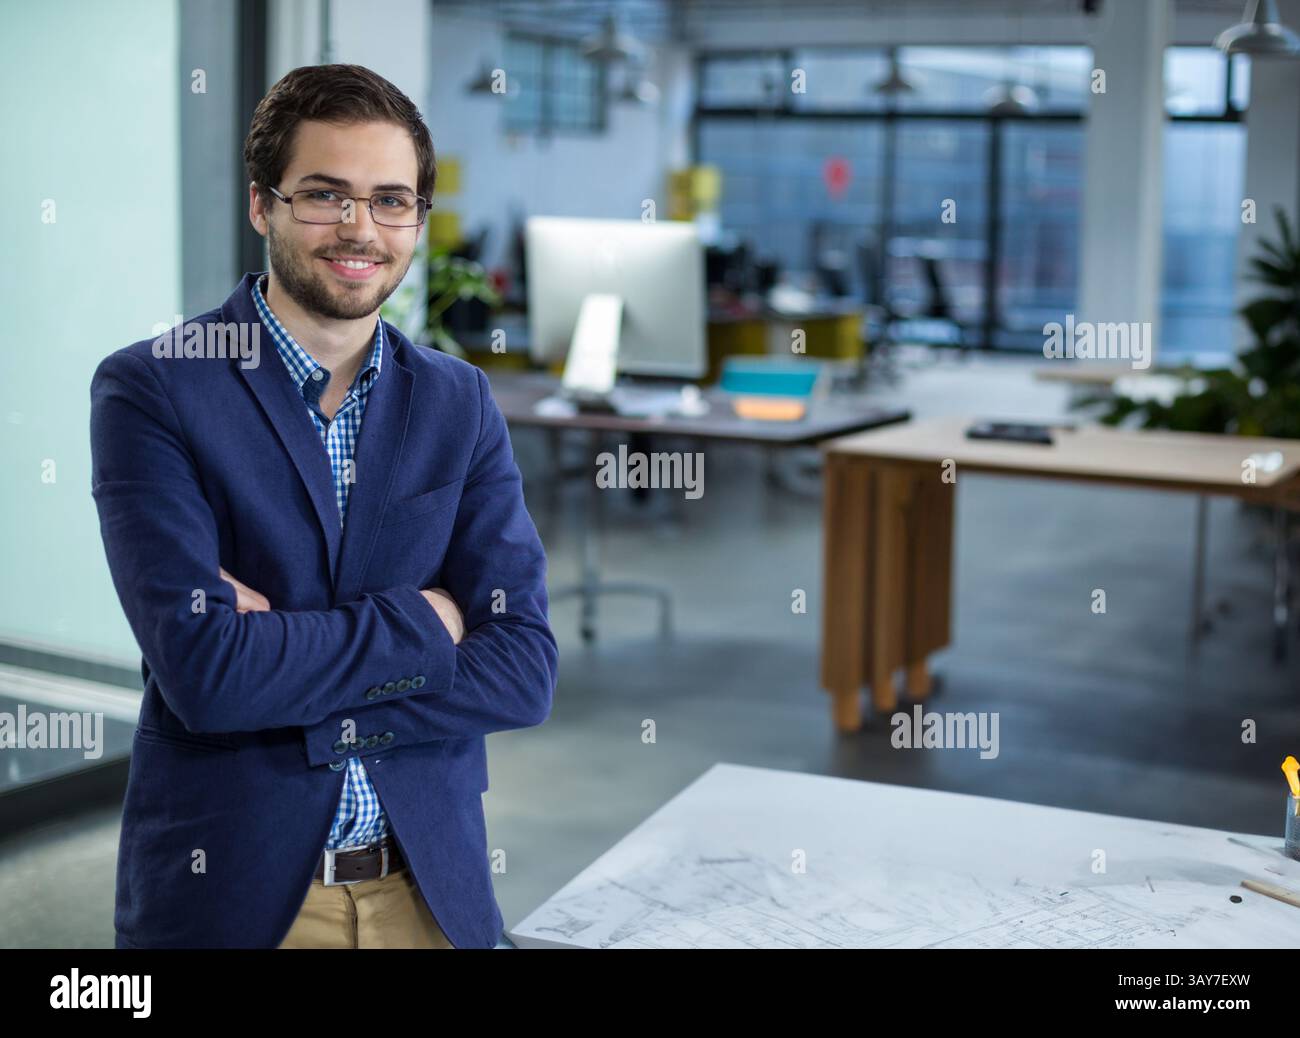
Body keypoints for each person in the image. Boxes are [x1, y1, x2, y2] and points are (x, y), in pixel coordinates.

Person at [89, 63, 557, 949]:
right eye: (324, 196)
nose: (360, 230)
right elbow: (209, 676)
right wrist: (431, 622)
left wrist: (286, 659)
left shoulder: (457, 401)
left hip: (430, 891)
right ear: (263, 204)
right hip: (242, 898)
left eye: (391, 200)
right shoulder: (154, 389)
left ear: (418, 216)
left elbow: (525, 669)